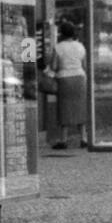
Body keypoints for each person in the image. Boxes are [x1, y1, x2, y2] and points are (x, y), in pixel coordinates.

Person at [50, 20, 88, 150]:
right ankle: (83, 138)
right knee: (80, 107)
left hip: (64, 79)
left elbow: (54, 66)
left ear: (61, 33)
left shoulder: (58, 47)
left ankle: (63, 140)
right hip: (79, 78)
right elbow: (85, 66)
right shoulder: (80, 46)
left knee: (64, 108)